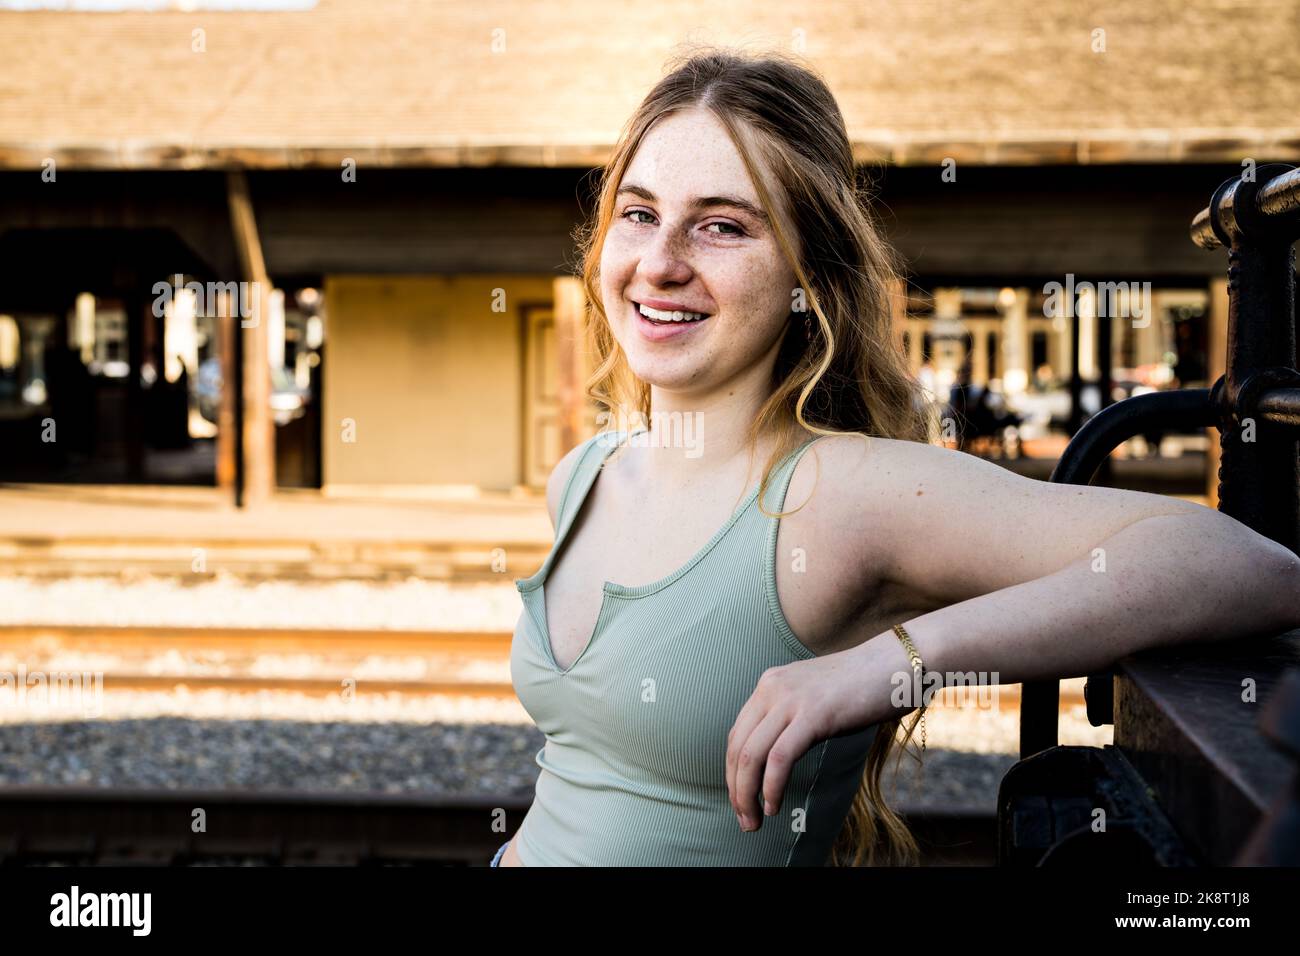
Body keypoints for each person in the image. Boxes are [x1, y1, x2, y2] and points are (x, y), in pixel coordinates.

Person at [495, 47, 1300, 867]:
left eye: (722, 226)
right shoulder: (584, 476)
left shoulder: (837, 493)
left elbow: (1250, 567)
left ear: (810, 272)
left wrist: (901, 660)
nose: (660, 263)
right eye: (638, 213)